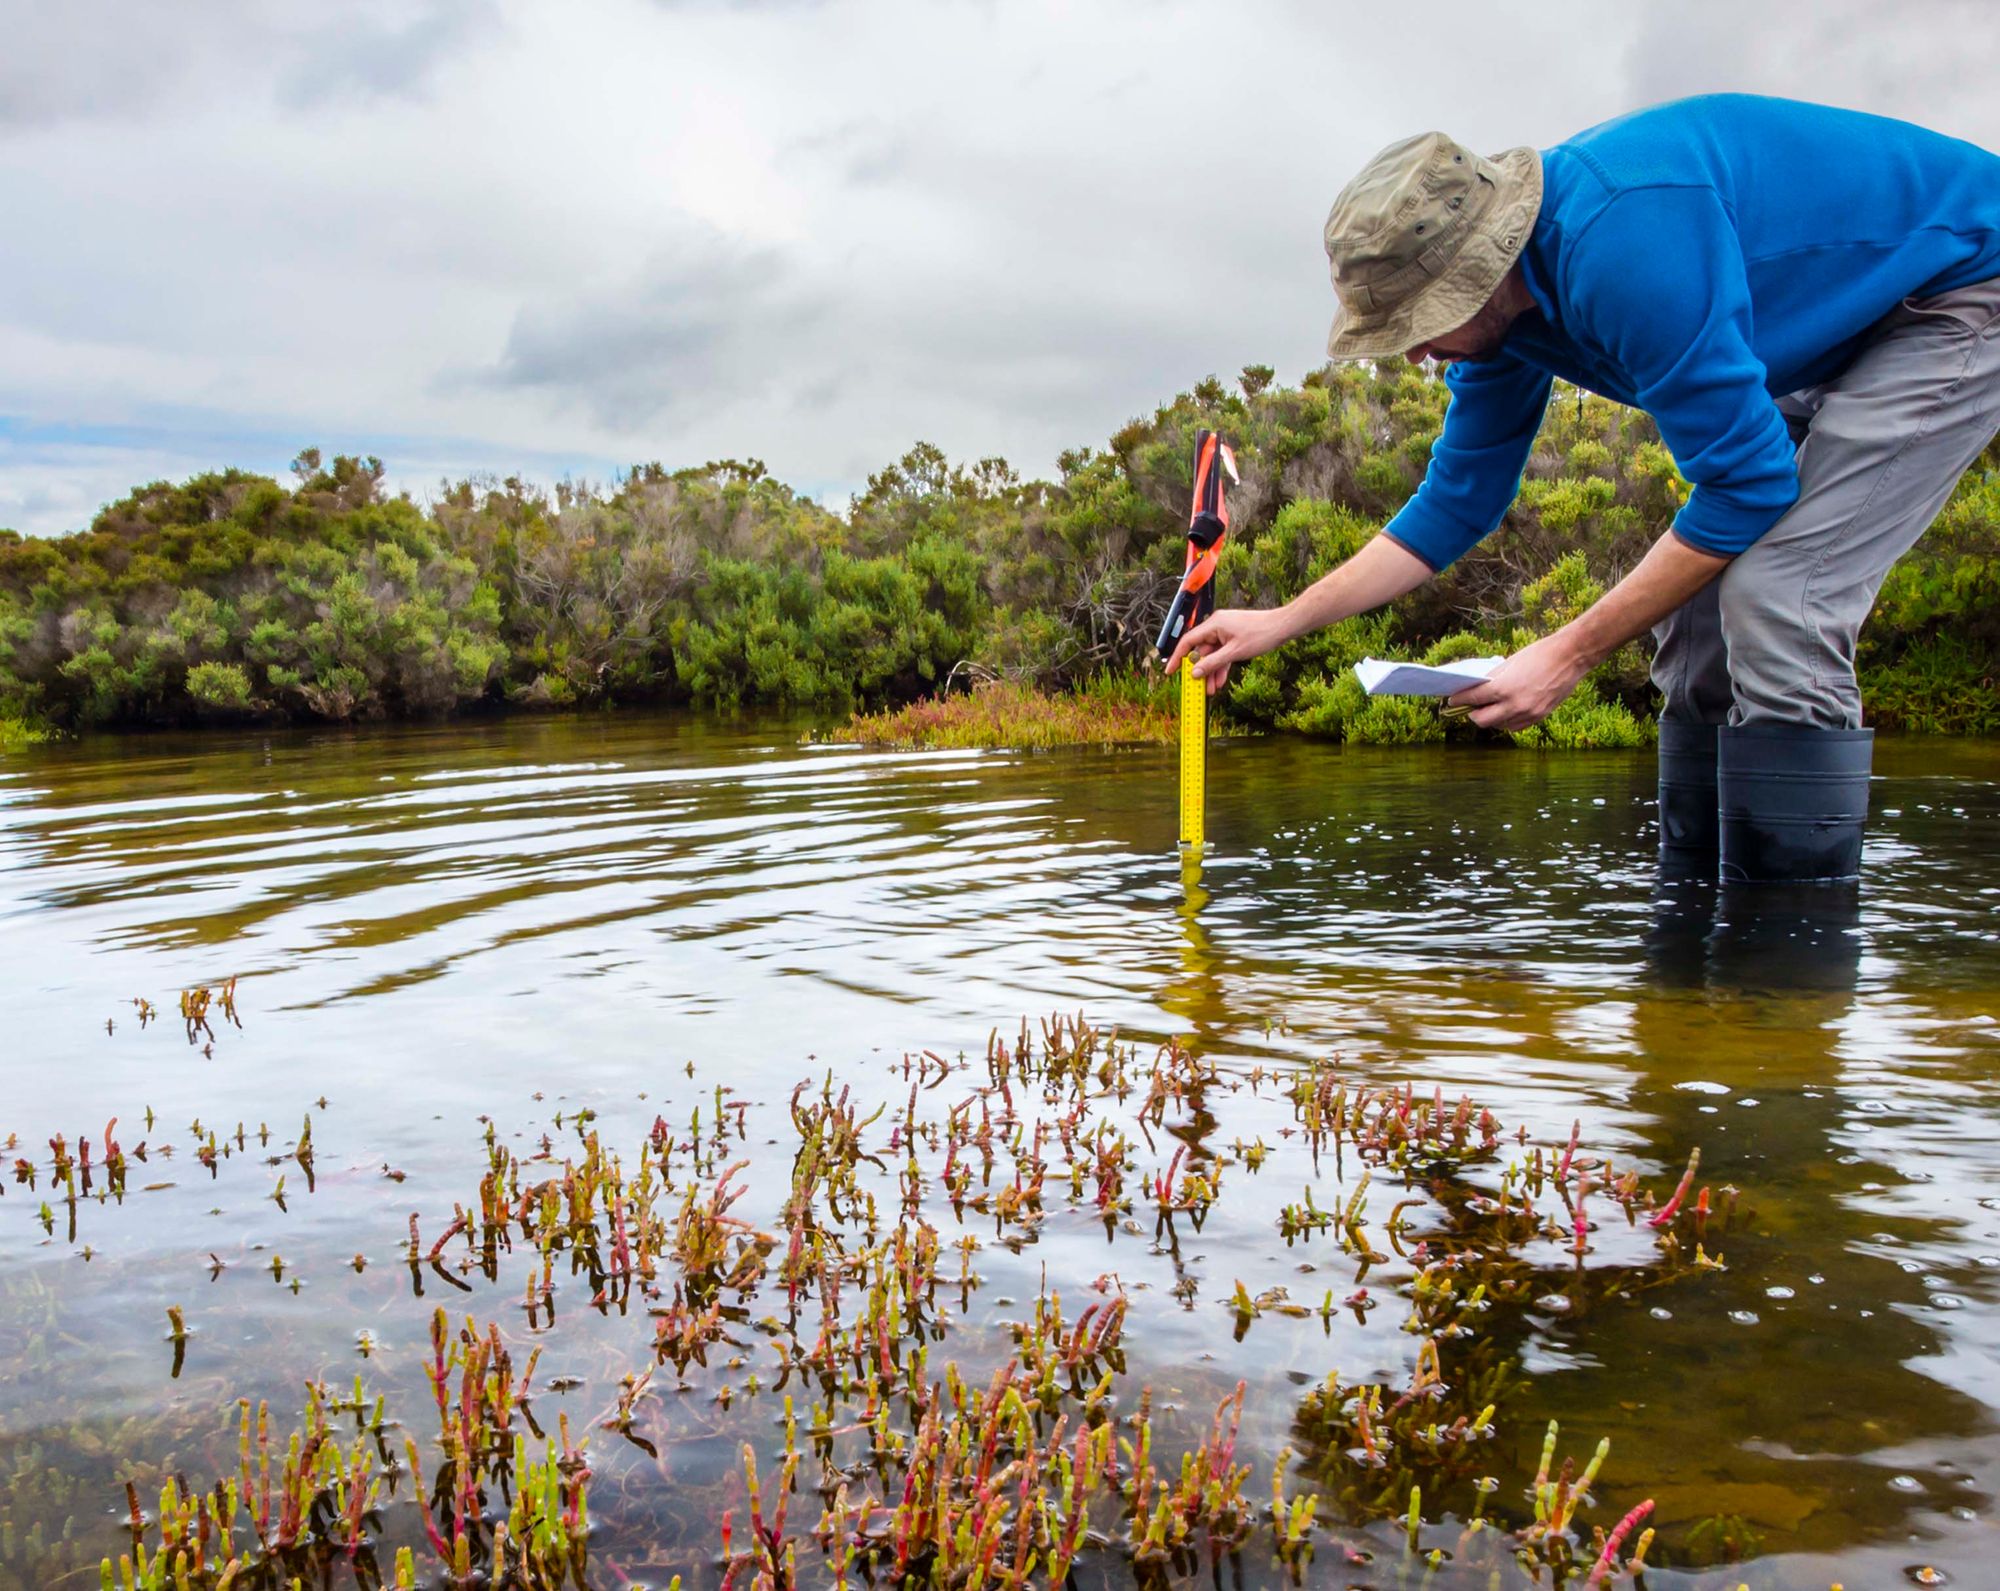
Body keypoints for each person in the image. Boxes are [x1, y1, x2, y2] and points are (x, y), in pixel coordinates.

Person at [1165, 95, 2000, 884]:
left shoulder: (1626, 246)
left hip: (1958, 288)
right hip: (1840, 323)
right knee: (1696, 611)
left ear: (1481, 271)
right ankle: (1695, 927)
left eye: (1422, 324)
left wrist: (1565, 657)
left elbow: (1746, 486)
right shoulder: (1501, 329)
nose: (1417, 355)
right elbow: (1460, 499)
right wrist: (1285, 620)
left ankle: (1783, 974)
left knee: (1782, 594)